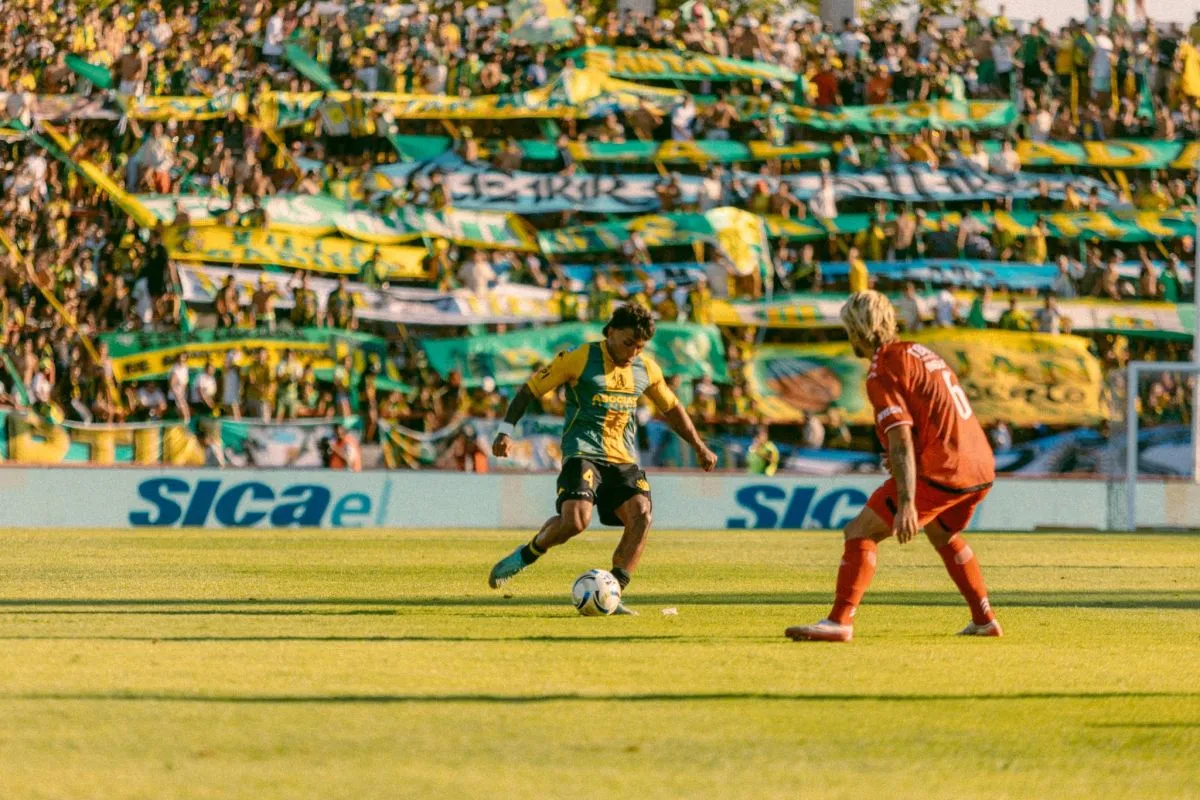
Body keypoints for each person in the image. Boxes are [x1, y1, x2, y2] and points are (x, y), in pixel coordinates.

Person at [787, 291, 1001, 642]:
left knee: (859, 532)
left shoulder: (882, 367)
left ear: (859, 330)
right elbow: (930, 417)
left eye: (849, 329)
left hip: (945, 469)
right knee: (943, 534)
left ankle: (839, 621)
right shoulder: (919, 352)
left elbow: (900, 437)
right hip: (980, 465)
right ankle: (984, 618)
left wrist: (906, 502)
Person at [486, 304, 718, 612]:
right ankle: (526, 554)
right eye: (628, 344)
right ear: (610, 331)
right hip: (582, 452)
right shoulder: (580, 357)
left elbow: (672, 409)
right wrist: (505, 430)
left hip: (622, 459)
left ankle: (613, 592)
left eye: (640, 347)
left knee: (642, 516)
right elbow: (530, 389)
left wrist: (699, 445)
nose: (633, 352)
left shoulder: (645, 369)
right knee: (576, 522)